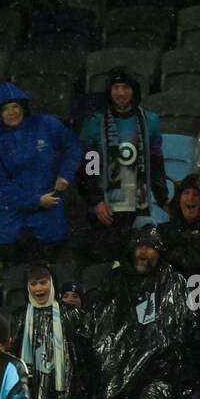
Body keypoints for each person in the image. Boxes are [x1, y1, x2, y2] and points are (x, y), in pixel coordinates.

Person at [80, 225, 196, 399]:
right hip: (115, 380)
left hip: (155, 380)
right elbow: (99, 326)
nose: (143, 251)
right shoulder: (114, 280)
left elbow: (174, 334)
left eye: (150, 247)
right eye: (139, 246)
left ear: (160, 252)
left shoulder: (172, 282)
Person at [0, 82, 83, 265]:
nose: (12, 112)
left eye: (15, 106)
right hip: (13, 222)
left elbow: (74, 146)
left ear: (24, 107)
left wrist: (65, 175)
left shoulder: (46, 124)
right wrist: (35, 201)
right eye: (5, 109)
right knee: (17, 279)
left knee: (53, 276)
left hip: (50, 218)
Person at [78, 68, 168, 265]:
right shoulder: (94, 123)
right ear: (109, 91)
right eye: (116, 87)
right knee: (109, 262)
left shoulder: (150, 121)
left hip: (138, 206)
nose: (121, 93)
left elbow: (156, 162)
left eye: (125, 87)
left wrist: (163, 197)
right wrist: (96, 201)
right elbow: (88, 167)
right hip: (107, 208)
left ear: (134, 90)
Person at [15, 265, 88, 399]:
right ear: (27, 287)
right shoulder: (19, 317)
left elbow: (83, 356)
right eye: (33, 284)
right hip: (30, 392)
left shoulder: (71, 314)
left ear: (52, 283)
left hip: (64, 394)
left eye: (43, 282)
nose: (38, 288)